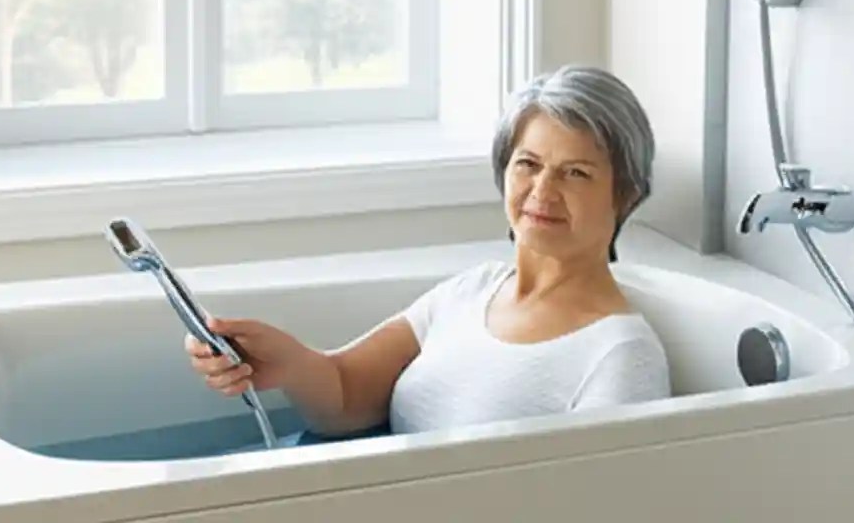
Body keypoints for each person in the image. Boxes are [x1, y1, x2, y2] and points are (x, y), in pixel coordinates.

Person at [186, 65, 672, 438]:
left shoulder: (621, 356)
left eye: (576, 173)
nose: (542, 190)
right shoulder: (474, 290)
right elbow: (345, 393)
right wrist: (284, 361)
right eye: (528, 163)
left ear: (625, 194)